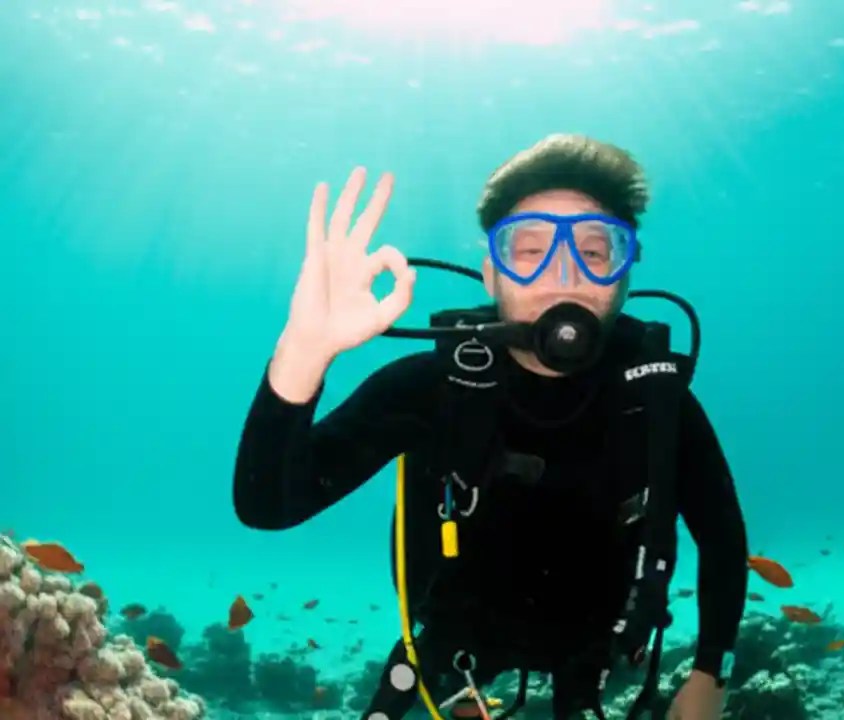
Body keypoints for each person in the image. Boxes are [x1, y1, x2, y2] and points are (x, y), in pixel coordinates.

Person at [232, 134, 749, 720]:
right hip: (454, 646)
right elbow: (267, 505)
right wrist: (302, 354)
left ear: (625, 272)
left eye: (595, 252)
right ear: (490, 274)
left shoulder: (658, 401)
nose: (563, 273)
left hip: (596, 652)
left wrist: (712, 671)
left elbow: (725, 540)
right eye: (528, 250)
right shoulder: (433, 388)